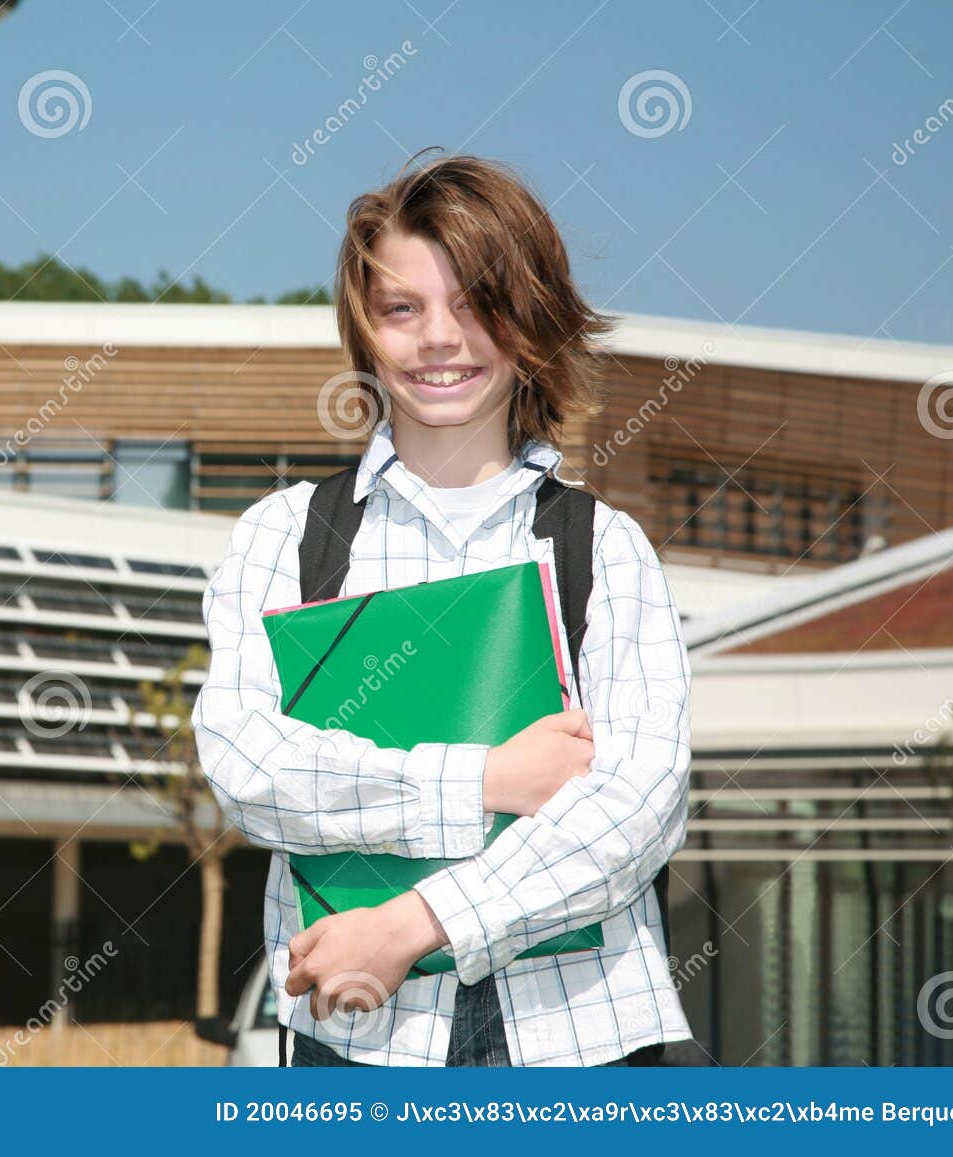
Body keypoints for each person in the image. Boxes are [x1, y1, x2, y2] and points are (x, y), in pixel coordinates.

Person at [189, 150, 693, 1067]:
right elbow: (246, 763)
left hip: (584, 1042)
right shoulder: (287, 537)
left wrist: (413, 924)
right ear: (365, 328)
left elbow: (636, 809)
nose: (439, 338)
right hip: (355, 1047)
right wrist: (484, 780)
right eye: (402, 308)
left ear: (528, 319)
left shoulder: (604, 548)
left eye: (473, 303)